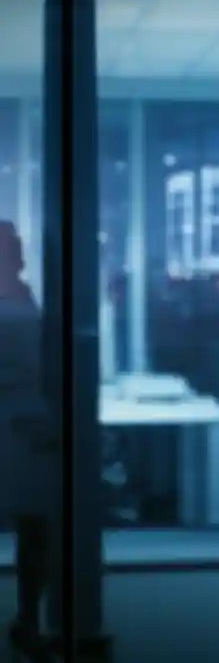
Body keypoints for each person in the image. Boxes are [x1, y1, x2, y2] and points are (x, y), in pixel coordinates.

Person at [0, 222, 57, 658]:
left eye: (18, 247)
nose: (18, 255)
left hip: (31, 419)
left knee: (36, 524)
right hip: (10, 417)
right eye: (11, 248)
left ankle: (28, 619)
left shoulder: (25, 295)